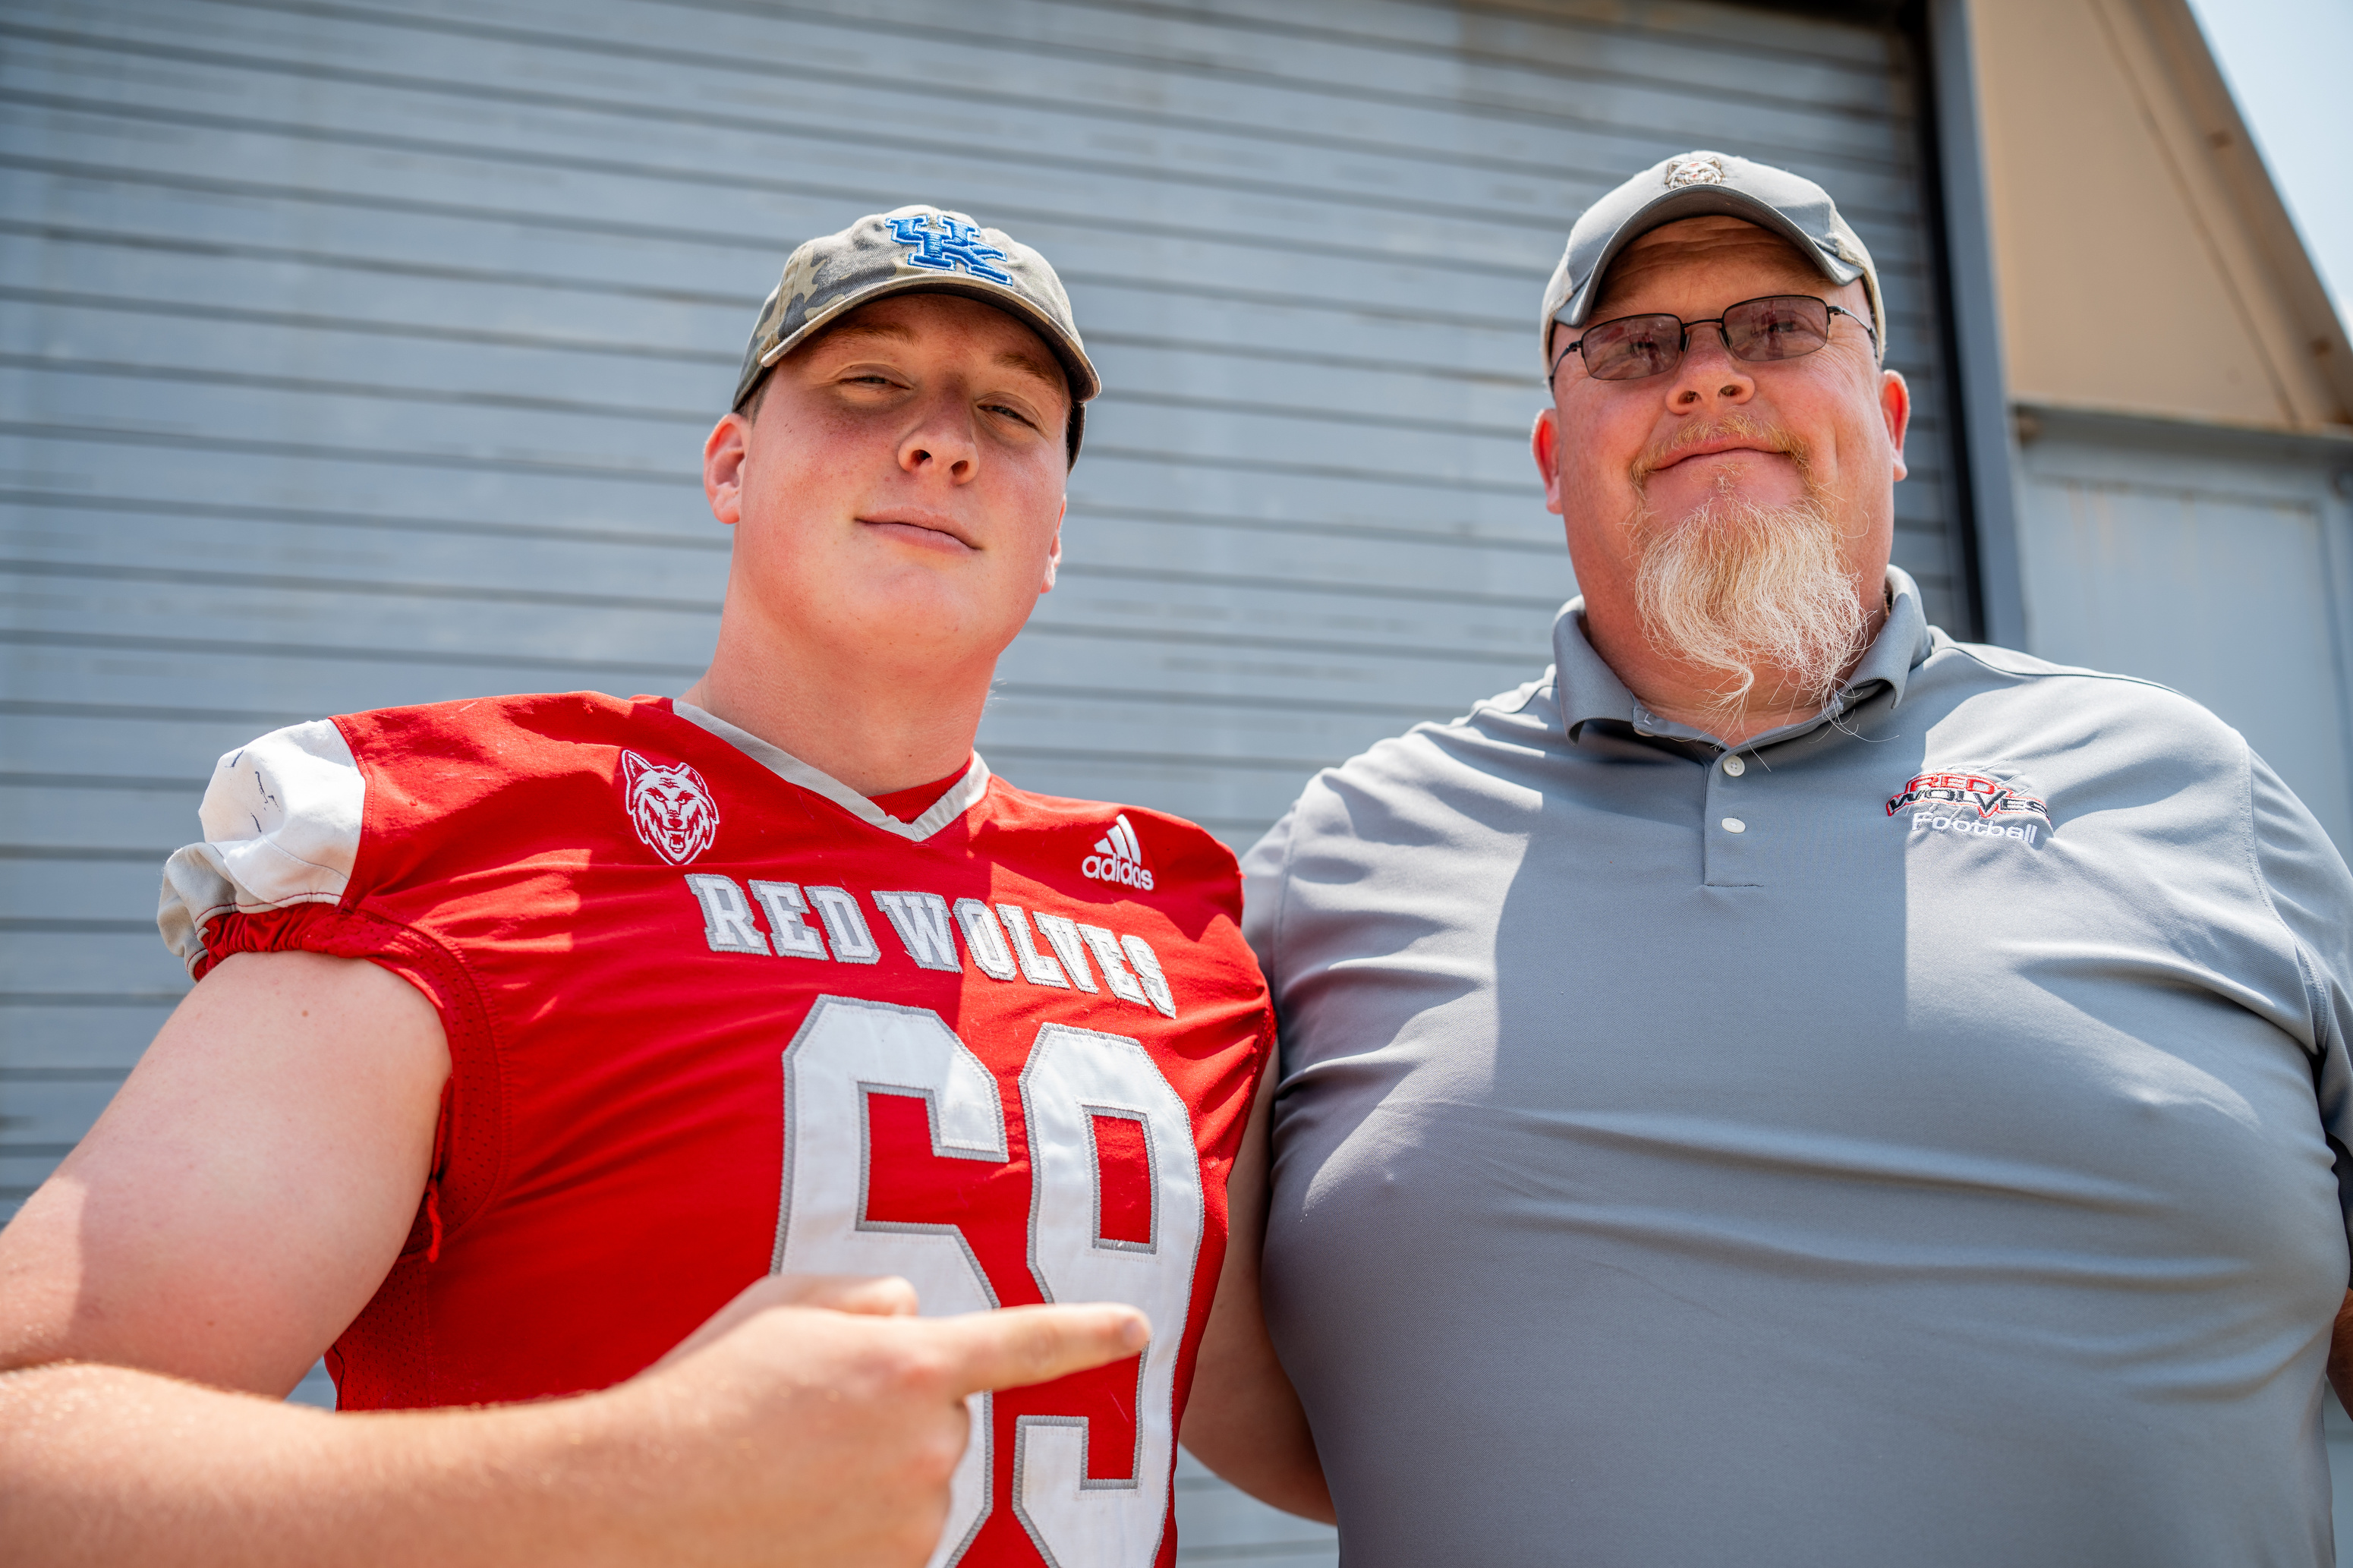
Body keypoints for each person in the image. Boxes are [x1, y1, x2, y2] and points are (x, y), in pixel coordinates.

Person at [0, 206, 1290, 1568]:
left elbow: (1337, 1424)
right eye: (868, 383)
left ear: (1056, 533)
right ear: (732, 465)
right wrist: (603, 1482)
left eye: (1011, 412)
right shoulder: (470, 852)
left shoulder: (1173, 925)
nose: (942, 438)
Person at [1217, 152, 2353, 1563]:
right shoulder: (1338, 858)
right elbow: (1233, 1377)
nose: (1705, 379)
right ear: (1551, 459)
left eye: (1777, 328)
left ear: (1887, 421)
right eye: (1633, 348)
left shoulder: (2193, 785)